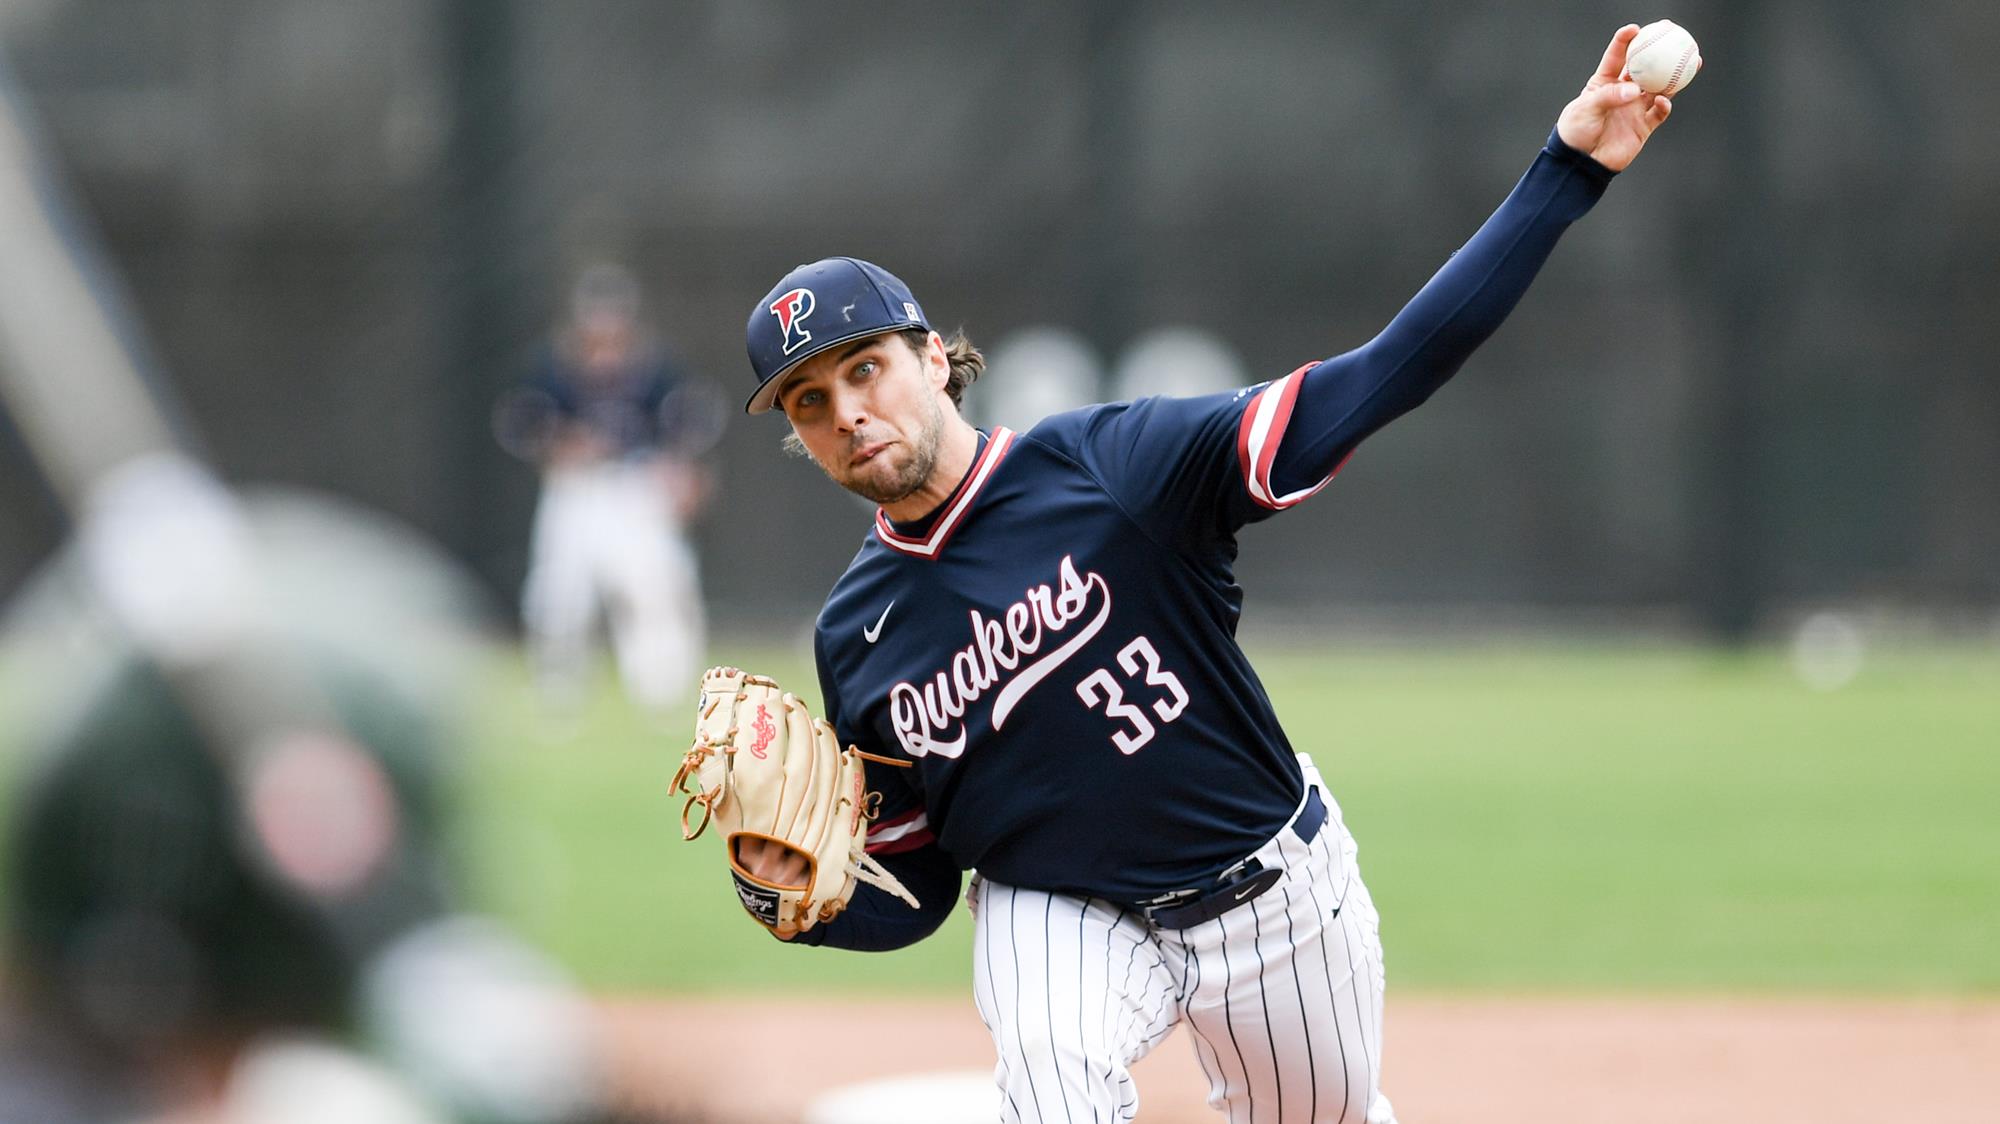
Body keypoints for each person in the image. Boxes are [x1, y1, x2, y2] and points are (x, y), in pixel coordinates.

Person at [733, 27, 1674, 1124]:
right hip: (1056, 909)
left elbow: (1385, 373)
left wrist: (1564, 171)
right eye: (809, 400)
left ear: (932, 358)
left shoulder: (1111, 465)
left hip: (1269, 892)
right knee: (1049, 1091)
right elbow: (919, 883)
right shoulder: (856, 635)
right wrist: (787, 887)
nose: (847, 411)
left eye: (865, 368)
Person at [496, 263, 723, 723]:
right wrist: (563, 444)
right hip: (576, 489)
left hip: (636, 487)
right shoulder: (553, 369)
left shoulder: (655, 369)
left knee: (654, 588)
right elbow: (518, 423)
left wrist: (685, 473)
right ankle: (558, 695)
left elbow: (691, 426)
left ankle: (664, 695)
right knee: (559, 594)